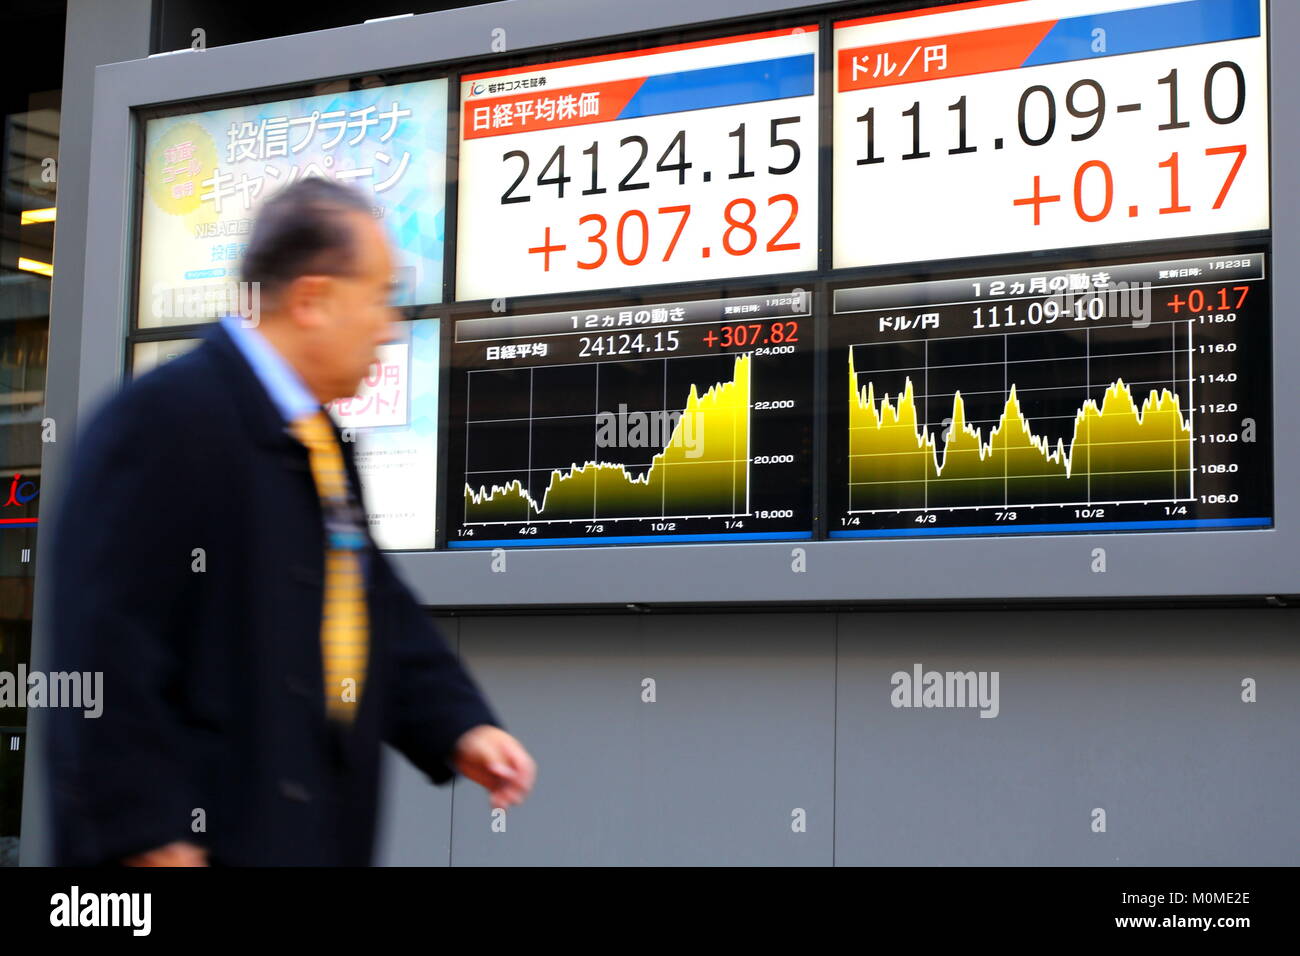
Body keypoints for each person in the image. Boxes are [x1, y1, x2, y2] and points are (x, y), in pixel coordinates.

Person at [44, 177, 535, 866]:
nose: (389, 326)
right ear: (312, 300)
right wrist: (148, 837)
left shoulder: (318, 444)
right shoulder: (163, 422)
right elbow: (101, 651)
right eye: (379, 296)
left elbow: (371, 610)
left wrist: (459, 725)